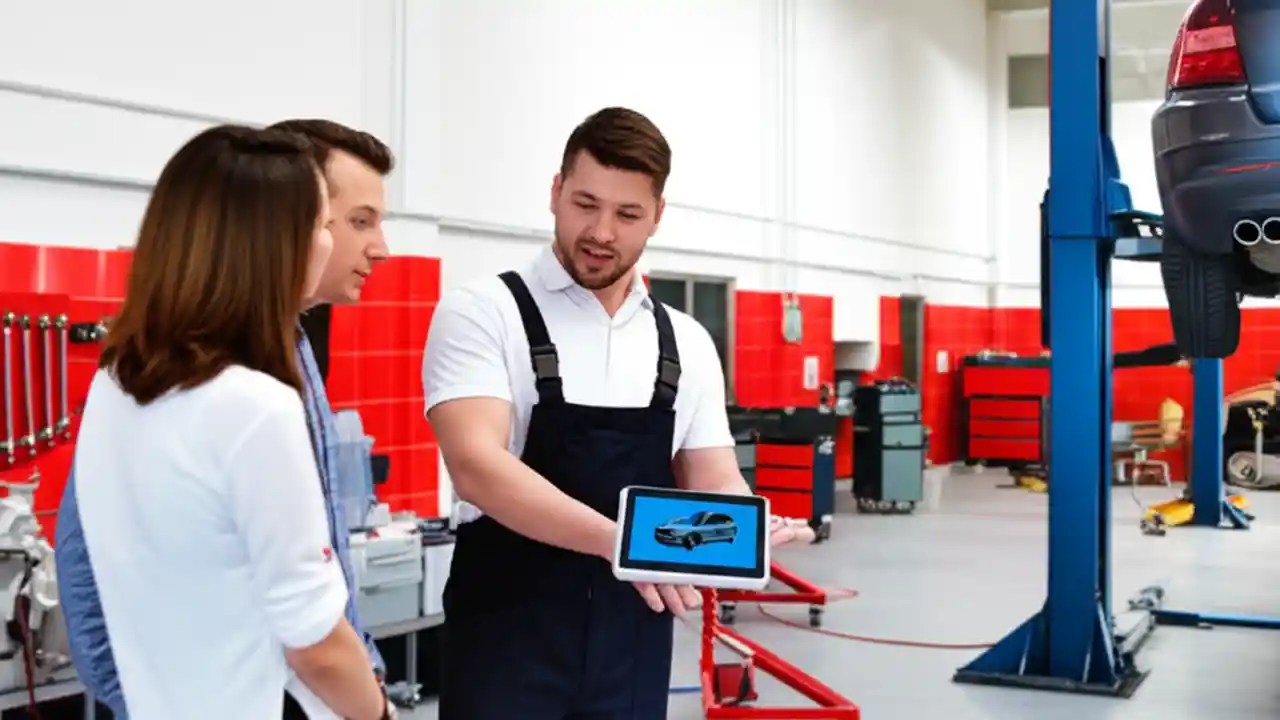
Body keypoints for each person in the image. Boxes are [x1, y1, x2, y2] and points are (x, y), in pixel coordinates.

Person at [422, 106, 792, 720]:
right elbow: (476, 467)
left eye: (627, 215)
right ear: (555, 193)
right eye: (585, 204)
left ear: (657, 217)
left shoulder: (686, 341)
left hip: (634, 642)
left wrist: (749, 528)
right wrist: (620, 542)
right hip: (507, 642)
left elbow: (714, 480)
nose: (601, 232)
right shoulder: (484, 311)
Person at [54, 118, 397, 719]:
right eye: (327, 223)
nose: (372, 245)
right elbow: (314, 637)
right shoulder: (254, 404)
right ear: (272, 240)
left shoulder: (114, 382)